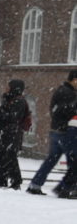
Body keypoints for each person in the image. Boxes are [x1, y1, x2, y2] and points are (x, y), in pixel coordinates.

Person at [26, 69, 77, 197]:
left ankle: (35, 185)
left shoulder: (60, 90)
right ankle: (65, 189)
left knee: (51, 160)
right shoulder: (69, 93)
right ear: (75, 80)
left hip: (55, 131)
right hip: (66, 132)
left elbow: (54, 110)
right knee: (74, 162)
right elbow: (67, 110)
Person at [0, 79, 31, 190]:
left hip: (12, 134)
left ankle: (15, 182)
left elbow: (11, 117)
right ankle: (2, 180)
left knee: (10, 158)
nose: (6, 88)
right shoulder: (8, 99)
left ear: (14, 88)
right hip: (4, 133)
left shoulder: (19, 101)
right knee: (1, 157)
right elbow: (3, 115)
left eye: (8, 86)